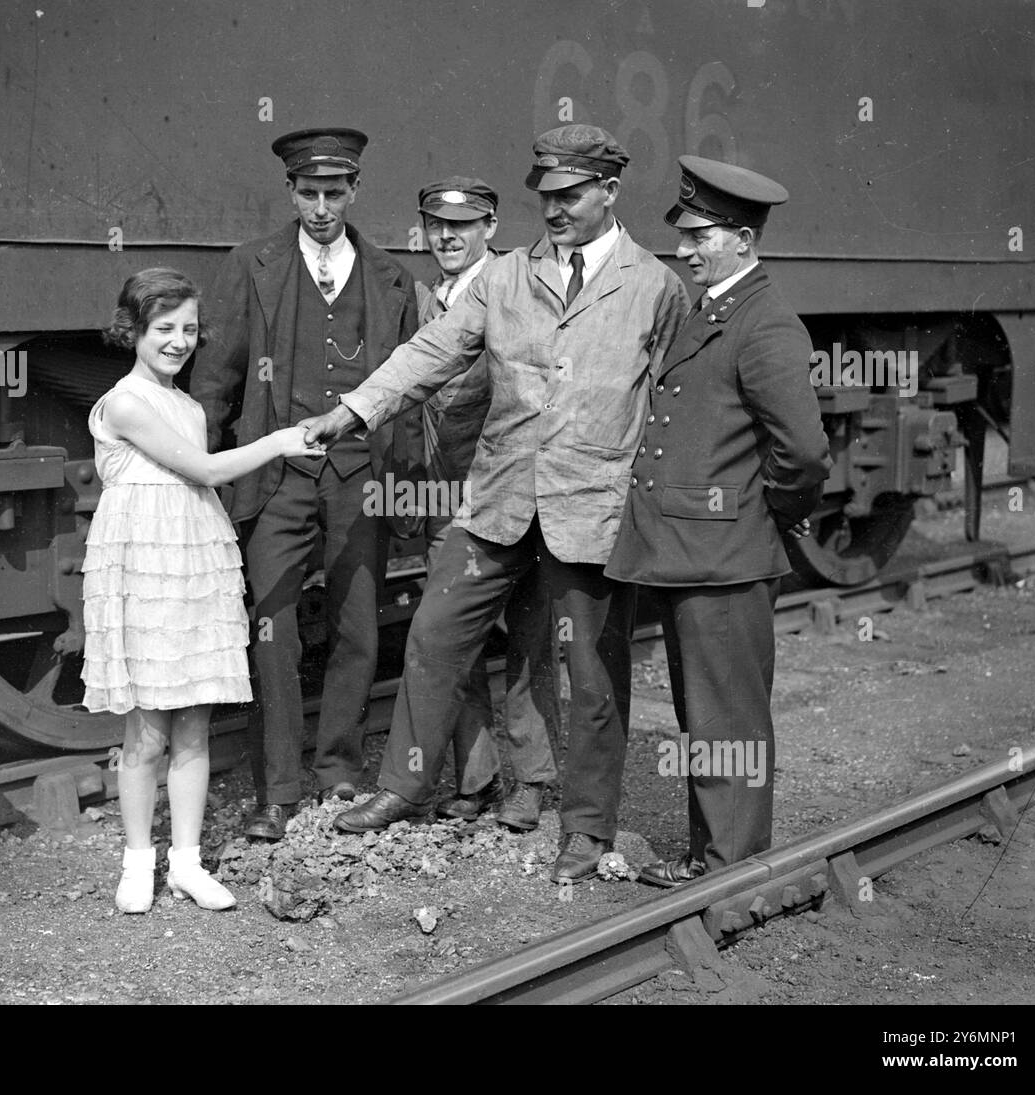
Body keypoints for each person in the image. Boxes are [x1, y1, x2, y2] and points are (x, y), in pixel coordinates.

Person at [304, 125, 690, 883]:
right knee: (435, 632)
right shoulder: (507, 277)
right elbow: (433, 351)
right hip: (497, 502)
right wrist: (355, 409)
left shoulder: (655, 287)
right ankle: (404, 786)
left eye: (570, 196)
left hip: (593, 512)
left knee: (594, 675)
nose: (552, 209)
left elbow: (672, 403)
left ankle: (585, 828)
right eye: (543, 195)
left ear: (610, 193)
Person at [603, 156, 832, 887]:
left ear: (741, 237)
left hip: (726, 554)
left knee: (726, 718)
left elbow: (803, 451)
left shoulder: (765, 324)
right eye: (684, 233)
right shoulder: (717, 310)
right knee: (705, 716)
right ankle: (716, 858)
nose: (685, 248)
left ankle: (733, 873)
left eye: (700, 235)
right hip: (693, 551)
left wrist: (759, 518)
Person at [192, 128, 423, 841]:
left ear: (354, 193)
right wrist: (199, 479)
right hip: (276, 477)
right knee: (274, 632)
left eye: (334, 193)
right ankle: (278, 791)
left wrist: (410, 490)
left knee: (357, 629)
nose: (321, 207)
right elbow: (216, 381)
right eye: (308, 193)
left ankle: (340, 772)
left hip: (360, 479)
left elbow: (411, 389)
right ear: (290, 193)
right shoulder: (249, 265)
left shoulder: (389, 279)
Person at [82, 268, 325, 913]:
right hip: (145, 567)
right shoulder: (126, 403)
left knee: (193, 727)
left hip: (192, 558)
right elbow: (209, 470)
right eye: (164, 329)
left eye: (189, 329)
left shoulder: (188, 406)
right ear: (132, 330)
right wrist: (281, 439)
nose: (178, 341)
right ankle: (138, 865)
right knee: (146, 734)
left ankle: (186, 863)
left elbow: (201, 485)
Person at [413, 176, 562, 827]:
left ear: (490, 227)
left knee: (528, 642)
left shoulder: (516, 290)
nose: (449, 236)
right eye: (438, 225)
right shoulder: (422, 300)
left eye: (465, 225)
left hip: (513, 499)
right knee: (454, 646)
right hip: (447, 502)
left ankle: (533, 780)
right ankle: (476, 779)